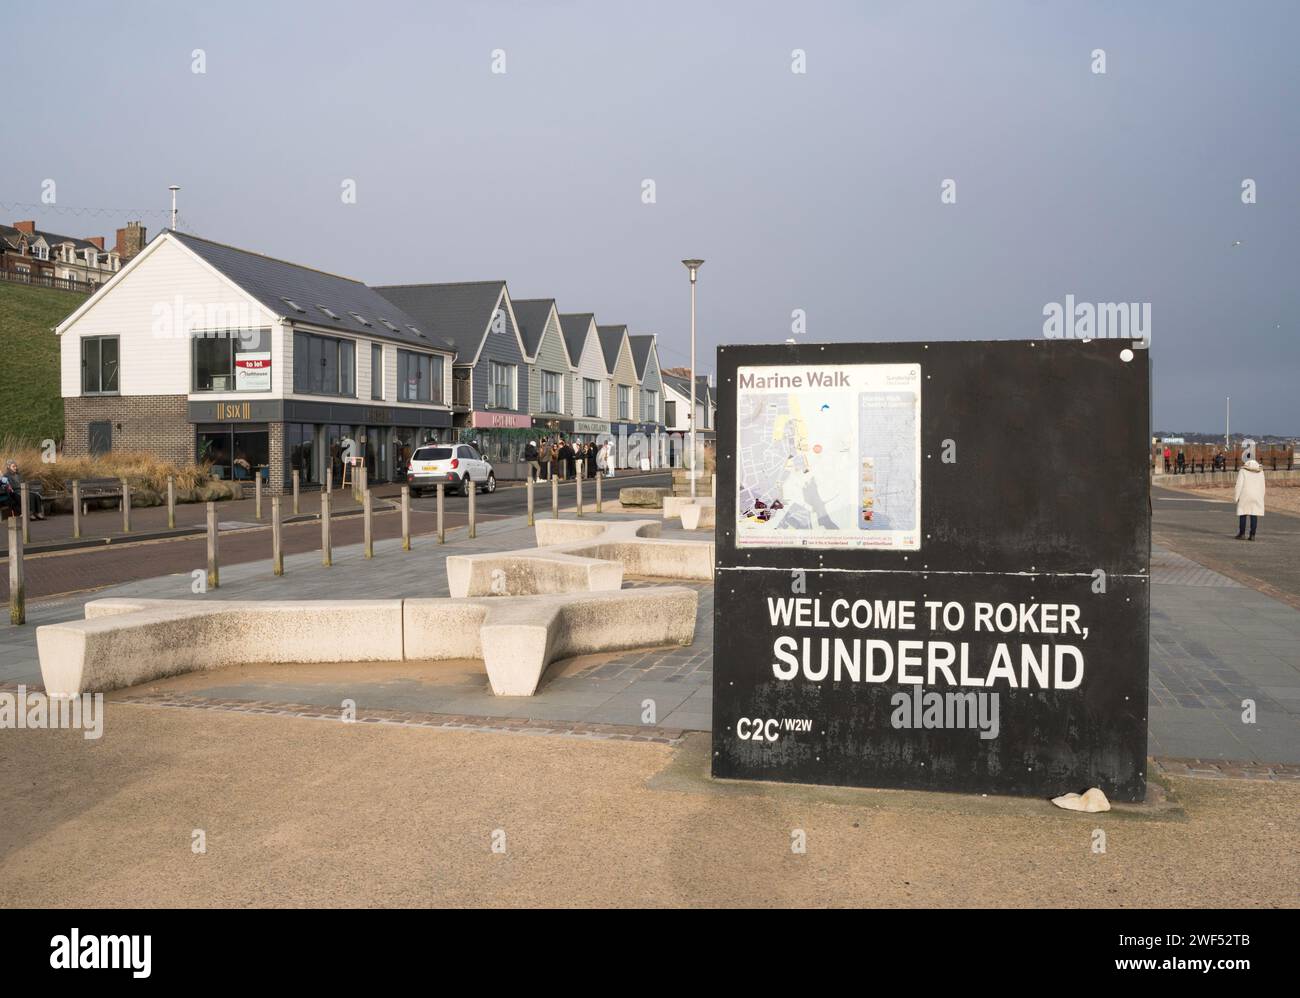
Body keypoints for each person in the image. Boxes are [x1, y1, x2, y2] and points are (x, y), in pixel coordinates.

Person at [1234, 457, 1265, 540]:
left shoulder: (1243, 470)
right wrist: (1262, 496)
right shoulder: (1260, 471)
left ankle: (1242, 534)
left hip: (1245, 494)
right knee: (1254, 514)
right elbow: (1263, 485)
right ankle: (1252, 535)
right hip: (1257, 495)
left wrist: (1236, 497)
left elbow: (1239, 485)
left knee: (1243, 513)